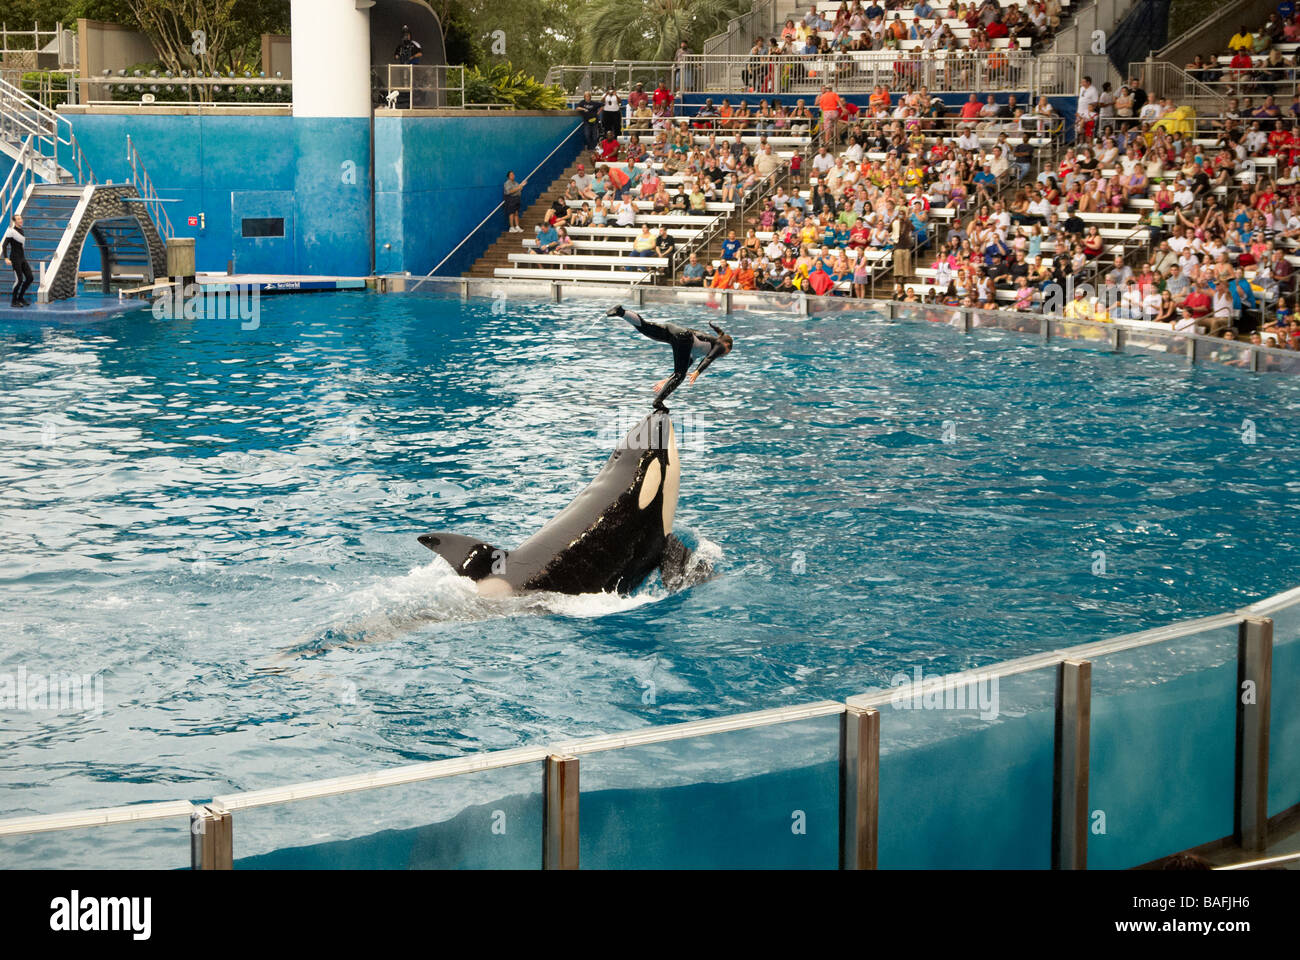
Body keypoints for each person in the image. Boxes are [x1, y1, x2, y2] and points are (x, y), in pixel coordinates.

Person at [606, 304, 734, 409]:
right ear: (727, 345)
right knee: (680, 376)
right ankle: (658, 402)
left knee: (645, 327)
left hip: (674, 330)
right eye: (727, 351)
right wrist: (697, 372)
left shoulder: (699, 350)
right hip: (683, 337)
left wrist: (668, 380)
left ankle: (621, 312)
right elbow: (709, 358)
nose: (723, 354)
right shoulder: (720, 345)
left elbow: (684, 364)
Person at [4, 214, 34, 307]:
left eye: (21, 218)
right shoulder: (11, 231)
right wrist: (6, 258)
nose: (21, 220)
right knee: (19, 280)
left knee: (30, 277)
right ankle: (14, 301)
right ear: (14, 221)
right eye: (18, 219)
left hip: (22, 258)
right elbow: (4, 245)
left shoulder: (21, 230)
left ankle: (20, 298)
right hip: (15, 259)